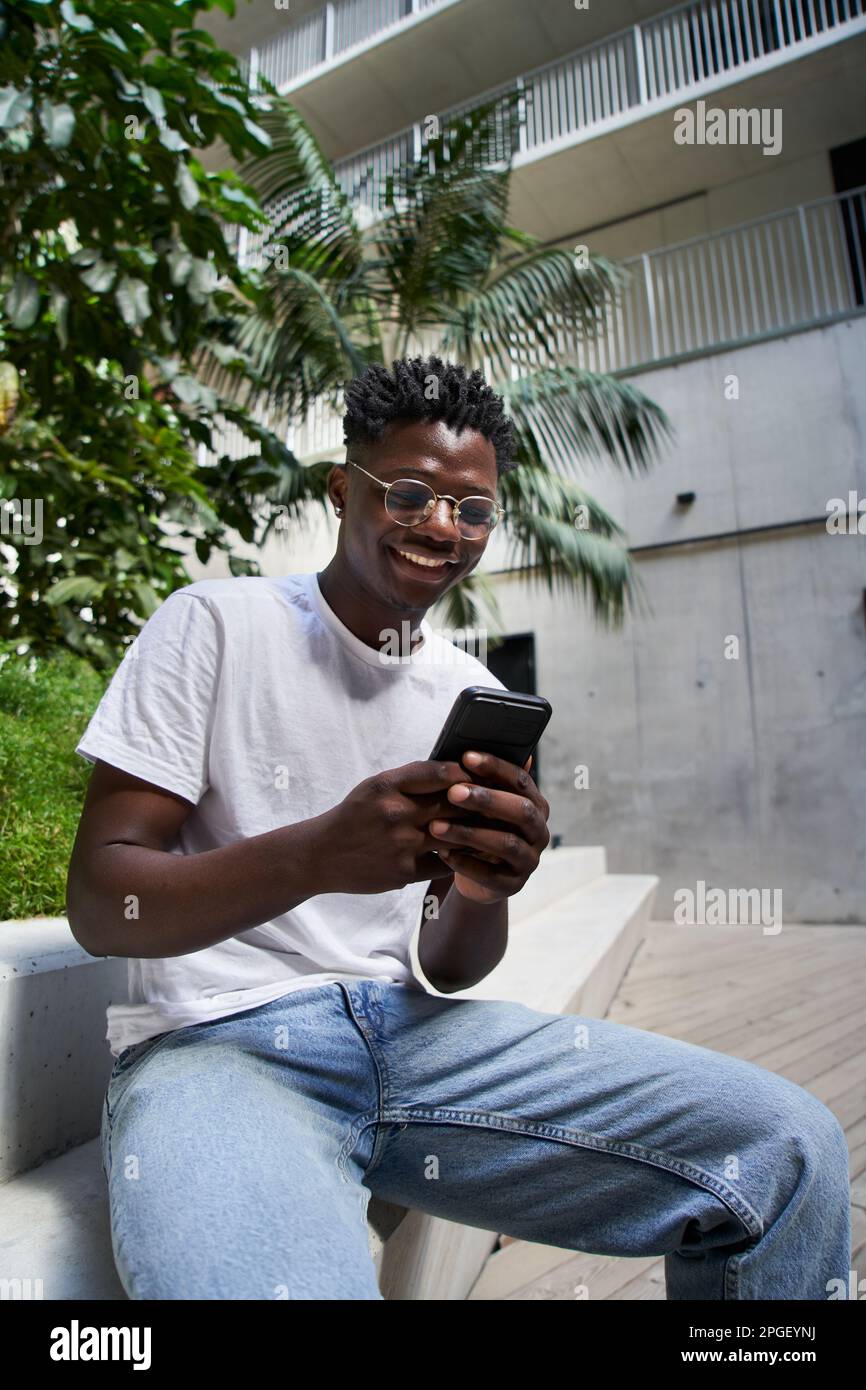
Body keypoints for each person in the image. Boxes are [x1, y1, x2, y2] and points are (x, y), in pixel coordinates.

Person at [66, 355, 851, 1301]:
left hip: (417, 1039)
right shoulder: (215, 625)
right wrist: (315, 855)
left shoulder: (476, 696)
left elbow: (451, 964)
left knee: (786, 1153)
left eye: (472, 510)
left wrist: (485, 884)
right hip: (219, 1046)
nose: (442, 526)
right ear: (340, 489)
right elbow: (106, 905)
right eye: (409, 494)